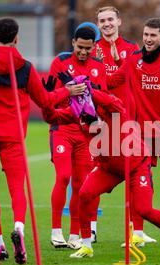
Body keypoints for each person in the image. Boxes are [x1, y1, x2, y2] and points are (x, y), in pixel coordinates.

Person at [42, 83, 160, 259]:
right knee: (85, 194)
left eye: (83, 96)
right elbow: (52, 117)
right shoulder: (78, 112)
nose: (79, 100)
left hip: (136, 164)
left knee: (144, 209)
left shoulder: (111, 106)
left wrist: (91, 93)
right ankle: (86, 245)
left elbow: (111, 102)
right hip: (109, 168)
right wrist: (48, 101)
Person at [0, 18, 73, 264]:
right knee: (18, 188)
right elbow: (46, 101)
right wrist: (67, 91)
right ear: (16, 38)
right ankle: (19, 228)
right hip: (12, 137)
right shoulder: (25, 67)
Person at [107, 18, 160, 245]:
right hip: (141, 131)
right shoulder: (134, 59)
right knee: (139, 180)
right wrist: (88, 82)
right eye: (145, 35)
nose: (148, 39)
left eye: (153, 35)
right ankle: (138, 233)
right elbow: (113, 80)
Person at [94, 6, 156, 246]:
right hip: (102, 122)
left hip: (129, 122)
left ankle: (137, 232)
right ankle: (90, 232)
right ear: (98, 25)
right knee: (96, 173)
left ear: (119, 21)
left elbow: (141, 77)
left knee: (136, 175)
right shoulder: (93, 50)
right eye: (102, 21)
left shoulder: (131, 50)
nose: (107, 24)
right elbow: (96, 83)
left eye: (110, 19)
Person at [44, 26, 106, 249]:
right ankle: (55, 231)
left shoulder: (98, 67)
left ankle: (74, 235)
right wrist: (69, 91)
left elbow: (103, 99)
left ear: (94, 47)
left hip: (86, 134)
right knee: (63, 177)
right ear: (73, 43)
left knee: (81, 184)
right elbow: (48, 96)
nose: (83, 52)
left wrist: (98, 116)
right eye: (80, 47)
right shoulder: (59, 62)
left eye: (88, 49)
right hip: (62, 128)